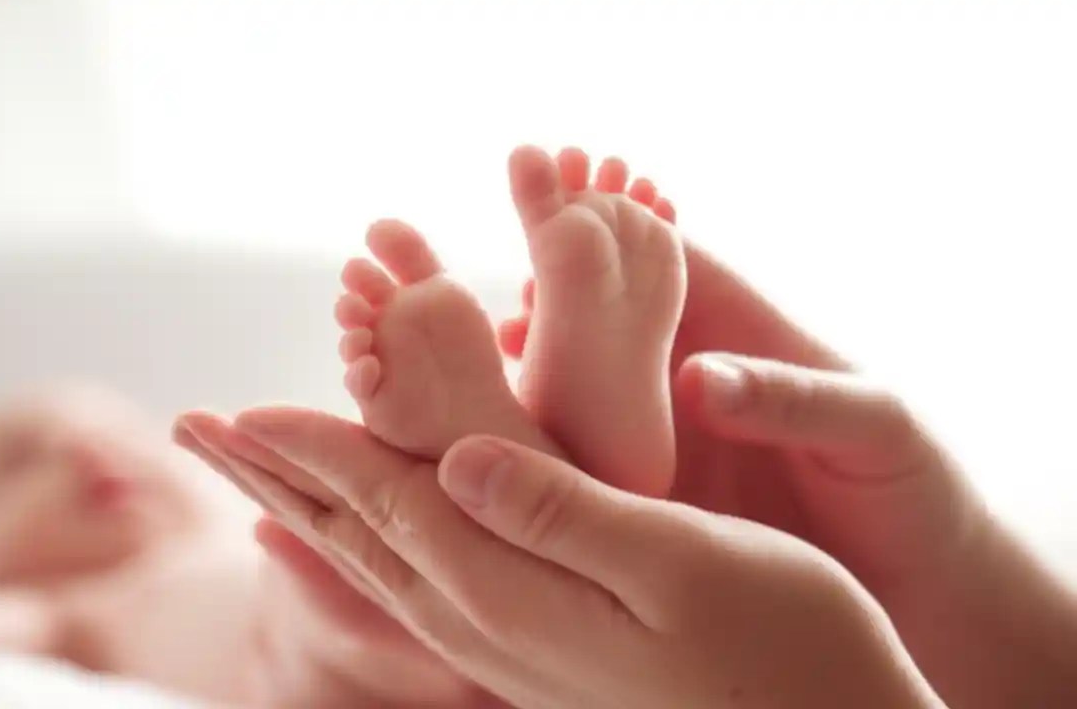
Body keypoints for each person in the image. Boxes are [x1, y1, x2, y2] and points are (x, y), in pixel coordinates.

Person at [176, 145, 1077, 707]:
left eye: (101, 435)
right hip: (322, 630)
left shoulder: (187, 530)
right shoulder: (96, 599)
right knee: (334, 632)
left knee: (343, 622)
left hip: (361, 614)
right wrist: (966, 578)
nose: (99, 478)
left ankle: (528, 471)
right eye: (25, 460)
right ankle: (584, 468)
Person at [0, 384, 485, 707]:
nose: (87, 449)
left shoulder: (224, 527)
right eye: (21, 460)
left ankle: (495, 447)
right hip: (302, 671)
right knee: (327, 592)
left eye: (125, 432)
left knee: (379, 539)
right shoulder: (67, 607)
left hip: (434, 611)